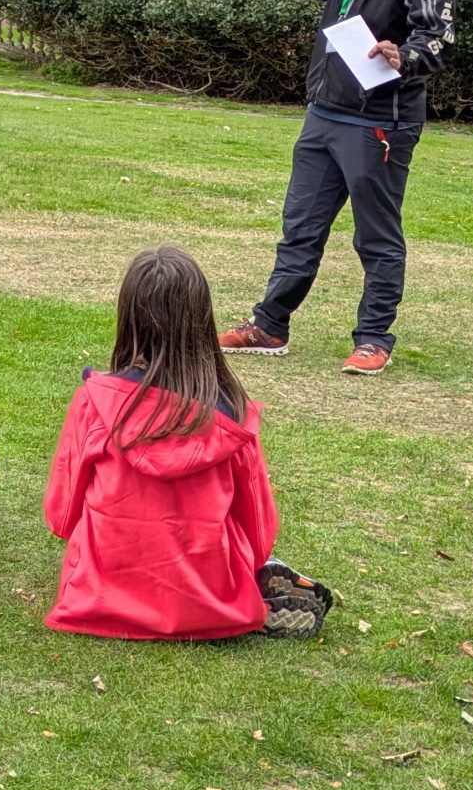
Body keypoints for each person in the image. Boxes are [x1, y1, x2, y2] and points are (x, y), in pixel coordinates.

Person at [193, 0, 457, 375]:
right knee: (301, 228)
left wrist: (404, 56)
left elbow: (439, 39)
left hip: (381, 121)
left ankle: (374, 338)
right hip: (326, 111)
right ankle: (269, 325)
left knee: (375, 237)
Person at [43, 246, 333, 640]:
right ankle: (245, 597)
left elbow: (61, 515)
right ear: (201, 320)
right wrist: (250, 561)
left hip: (98, 598)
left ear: (128, 317)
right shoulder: (233, 416)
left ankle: (195, 594)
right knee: (234, 558)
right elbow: (259, 529)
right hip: (209, 601)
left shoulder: (95, 403)